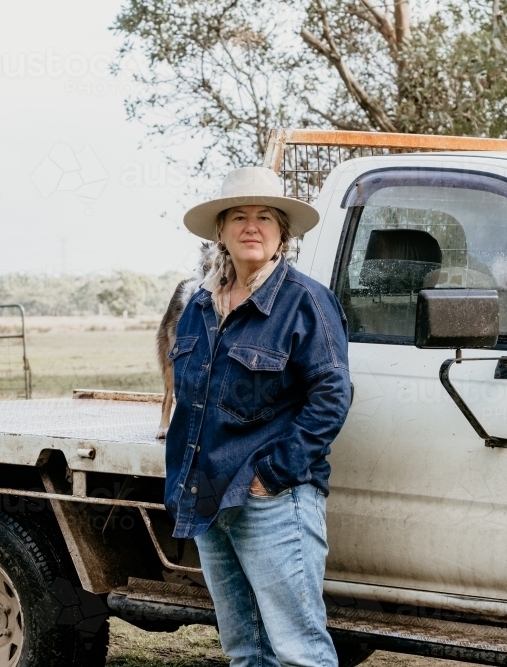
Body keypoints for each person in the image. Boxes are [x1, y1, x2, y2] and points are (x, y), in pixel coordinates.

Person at [165, 166, 352, 667]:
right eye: (239, 217)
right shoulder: (200, 305)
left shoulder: (305, 302)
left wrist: (272, 475)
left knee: (297, 653)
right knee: (245, 652)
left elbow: (332, 396)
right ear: (222, 232)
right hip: (207, 497)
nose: (252, 226)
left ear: (282, 234)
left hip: (272, 499)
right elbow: (191, 400)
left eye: (265, 217)